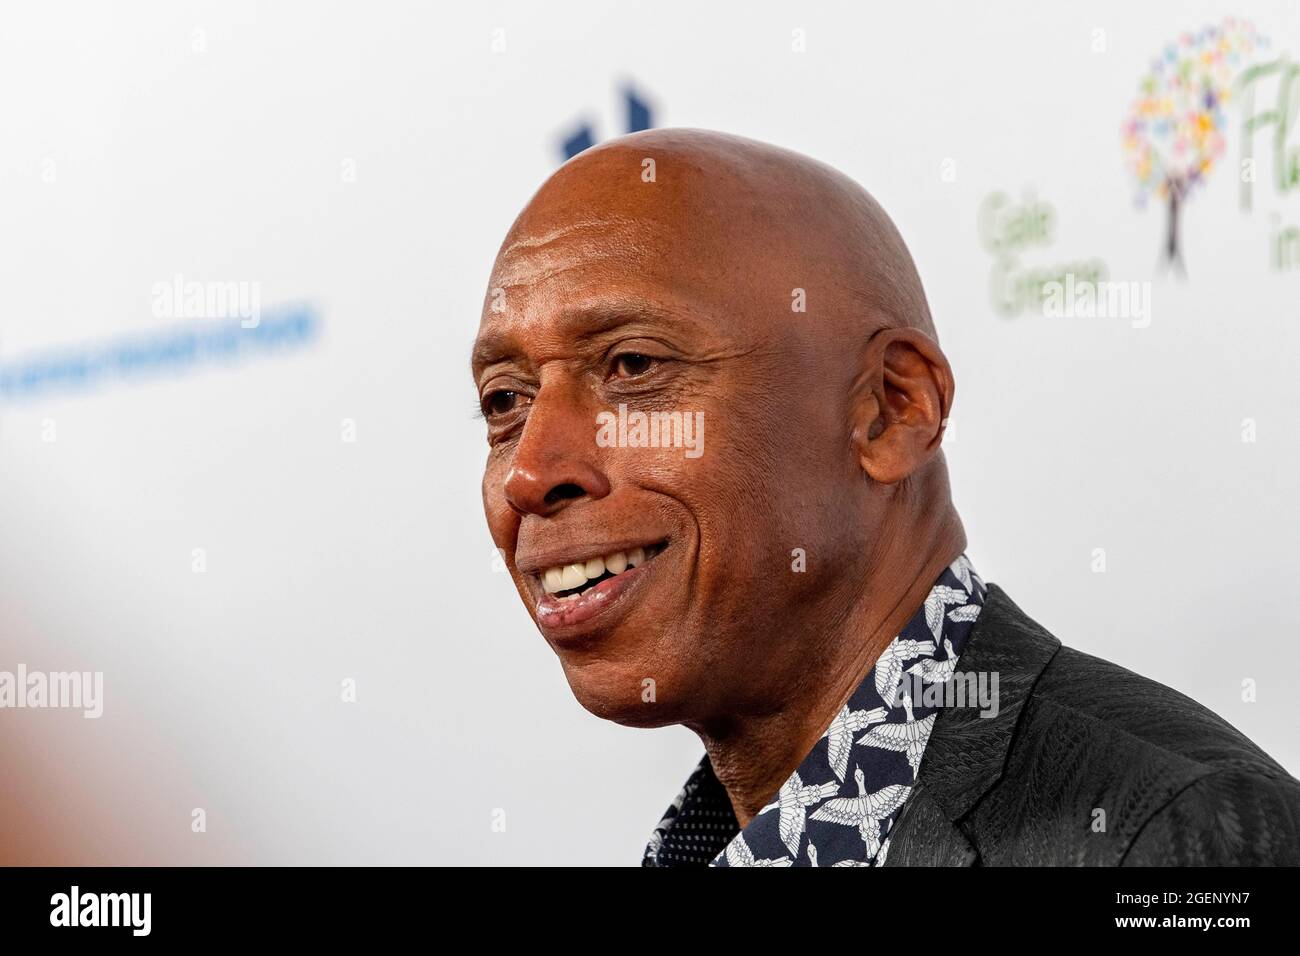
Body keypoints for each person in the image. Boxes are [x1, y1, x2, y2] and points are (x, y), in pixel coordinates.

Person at [470, 128, 1300, 866]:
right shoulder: (715, 838)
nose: (530, 473)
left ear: (891, 410)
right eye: (505, 401)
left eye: (634, 367)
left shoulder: (1176, 839)